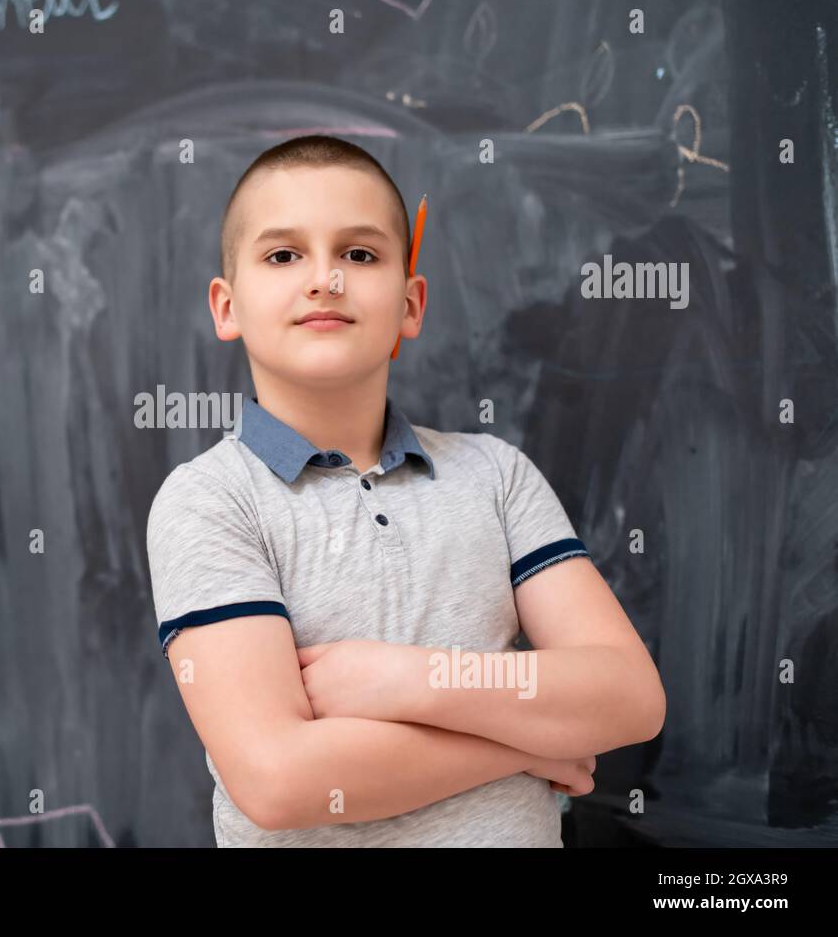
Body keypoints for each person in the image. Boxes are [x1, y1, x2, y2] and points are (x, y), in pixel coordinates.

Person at [144, 134, 665, 846]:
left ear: (411, 304)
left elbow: (630, 697)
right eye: (283, 254)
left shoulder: (496, 476)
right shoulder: (209, 500)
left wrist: (400, 679)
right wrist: (526, 747)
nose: (325, 279)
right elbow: (280, 780)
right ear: (226, 307)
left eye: (360, 254)